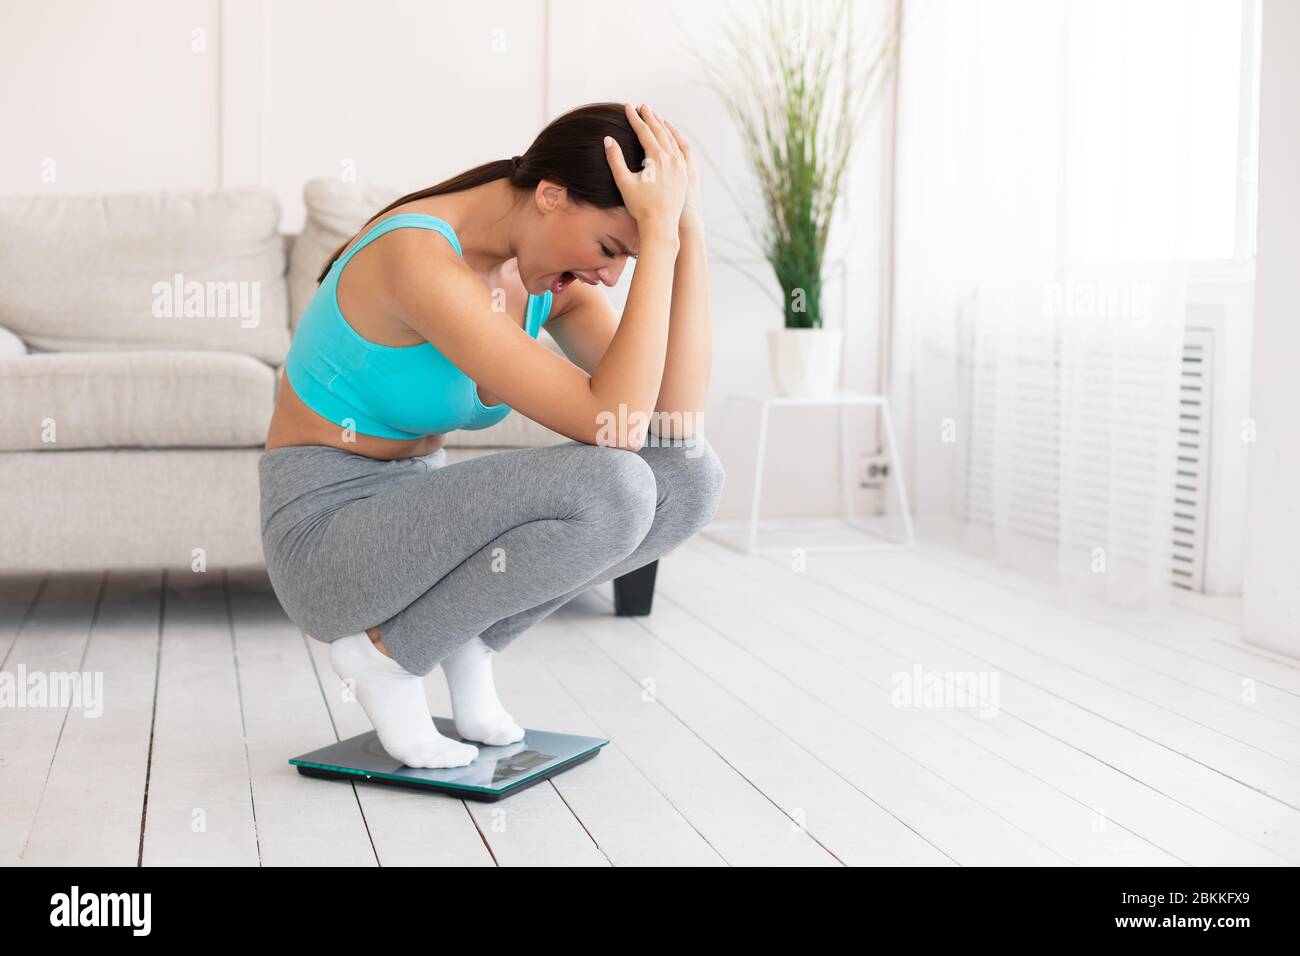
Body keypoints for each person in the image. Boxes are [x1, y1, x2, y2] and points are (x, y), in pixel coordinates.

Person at [258, 101, 724, 769]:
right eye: (611, 249)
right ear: (551, 196)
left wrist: (687, 233)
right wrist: (660, 235)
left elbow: (676, 418)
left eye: (631, 257)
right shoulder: (417, 256)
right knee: (614, 481)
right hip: (327, 543)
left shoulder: (541, 278)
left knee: (690, 473)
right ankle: (386, 659)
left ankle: (466, 640)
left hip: (417, 525)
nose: (612, 276)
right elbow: (612, 424)